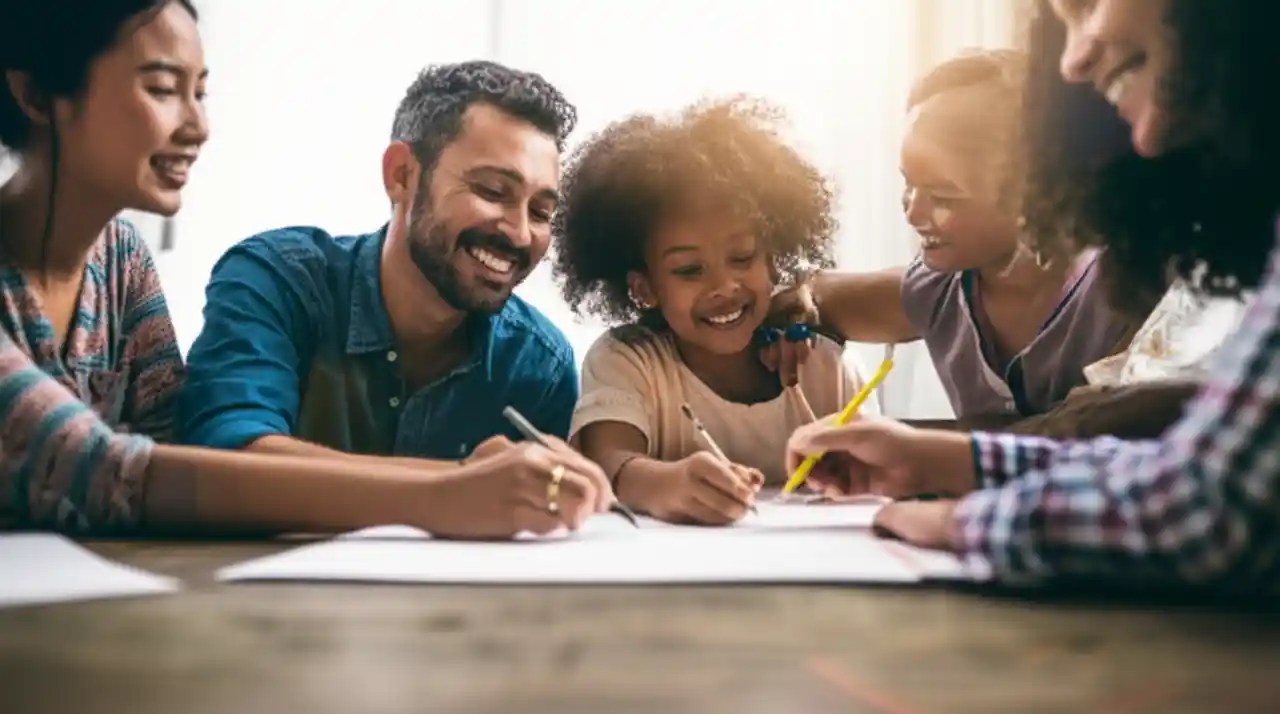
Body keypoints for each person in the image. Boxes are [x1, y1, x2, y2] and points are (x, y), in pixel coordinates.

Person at [0, 1, 611, 538]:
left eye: (201, 92)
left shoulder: (122, 261)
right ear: (34, 95)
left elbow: (168, 449)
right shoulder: (276, 276)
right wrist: (447, 492)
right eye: (162, 89)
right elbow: (113, 470)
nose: (199, 127)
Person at [786, 0, 1280, 591]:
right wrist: (941, 460)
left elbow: (1203, 512)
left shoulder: (1152, 291)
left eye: (1086, 4)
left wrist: (959, 519)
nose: (1072, 62)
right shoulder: (941, 287)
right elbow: (1188, 473)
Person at [767, 49, 1200, 439]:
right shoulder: (939, 289)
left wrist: (918, 446)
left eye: (943, 197)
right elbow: (817, 296)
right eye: (909, 185)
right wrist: (799, 308)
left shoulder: (1132, 287)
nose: (913, 214)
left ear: (1033, 189)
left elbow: (1102, 429)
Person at [179, 60, 583, 466]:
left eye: (541, 213)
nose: (519, 234)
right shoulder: (278, 282)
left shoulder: (540, 367)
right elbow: (225, 461)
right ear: (401, 175)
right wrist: (456, 488)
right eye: (493, 191)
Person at [554, 97, 873, 525]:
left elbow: (875, 475)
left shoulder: (824, 368)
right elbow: (607, 462)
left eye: (742, 258)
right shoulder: (627, 361)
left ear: (773, 261)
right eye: (690, 270)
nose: (724, 286)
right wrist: (663, 483)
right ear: (643, 288)